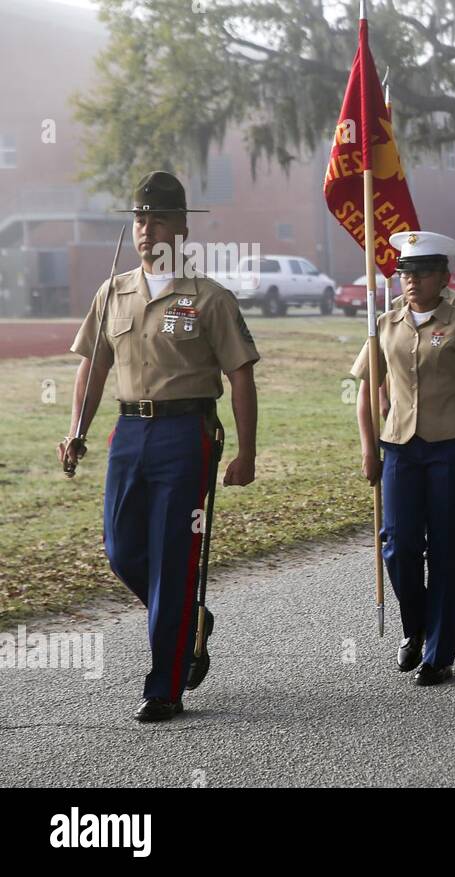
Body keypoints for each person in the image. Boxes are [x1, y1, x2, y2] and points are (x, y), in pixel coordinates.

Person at [59, 171, 260, 722]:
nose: (146, 229)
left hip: (185, 434)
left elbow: (241, 376)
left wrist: (247, 452)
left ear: (181, 230)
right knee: (122, 548)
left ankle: (164, 686)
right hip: (128, 434)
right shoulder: (113, 293)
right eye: (140, 219)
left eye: (158, 220)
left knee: (174, 558)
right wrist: (77, 430)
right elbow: (93, 368)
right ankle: (188, 617)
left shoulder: (210, 299)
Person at [353, 231, 455, 686]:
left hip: (452, 447)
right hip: (399, 448)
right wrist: (367, 447)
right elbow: (364, 387)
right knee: (397, 544)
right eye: (404, 273)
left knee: (448, 550)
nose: (410, 281)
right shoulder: (386, 323)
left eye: (421, 273)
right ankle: (414, 626)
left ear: (443, 277)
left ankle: (438, 654)